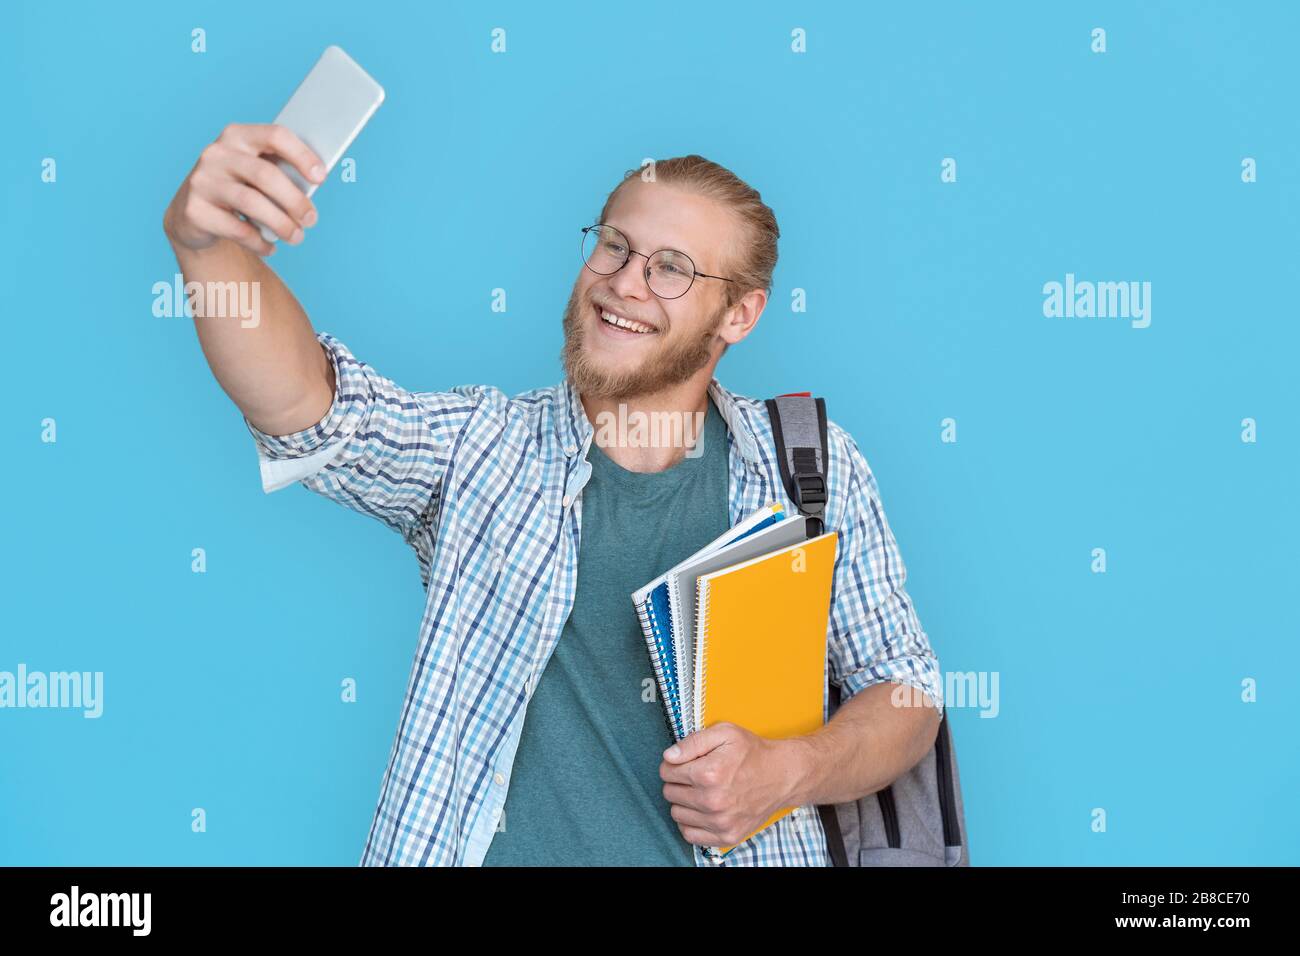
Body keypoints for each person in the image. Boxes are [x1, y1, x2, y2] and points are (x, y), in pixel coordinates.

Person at [162, 124, 944, 866]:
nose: (625, 283)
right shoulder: (484, 451)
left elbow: (906, 693)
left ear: (738, 314)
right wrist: (205, 247)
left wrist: (789, 771)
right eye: (615, 246)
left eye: (672, 268)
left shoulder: (807, 467)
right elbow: (309, 406)